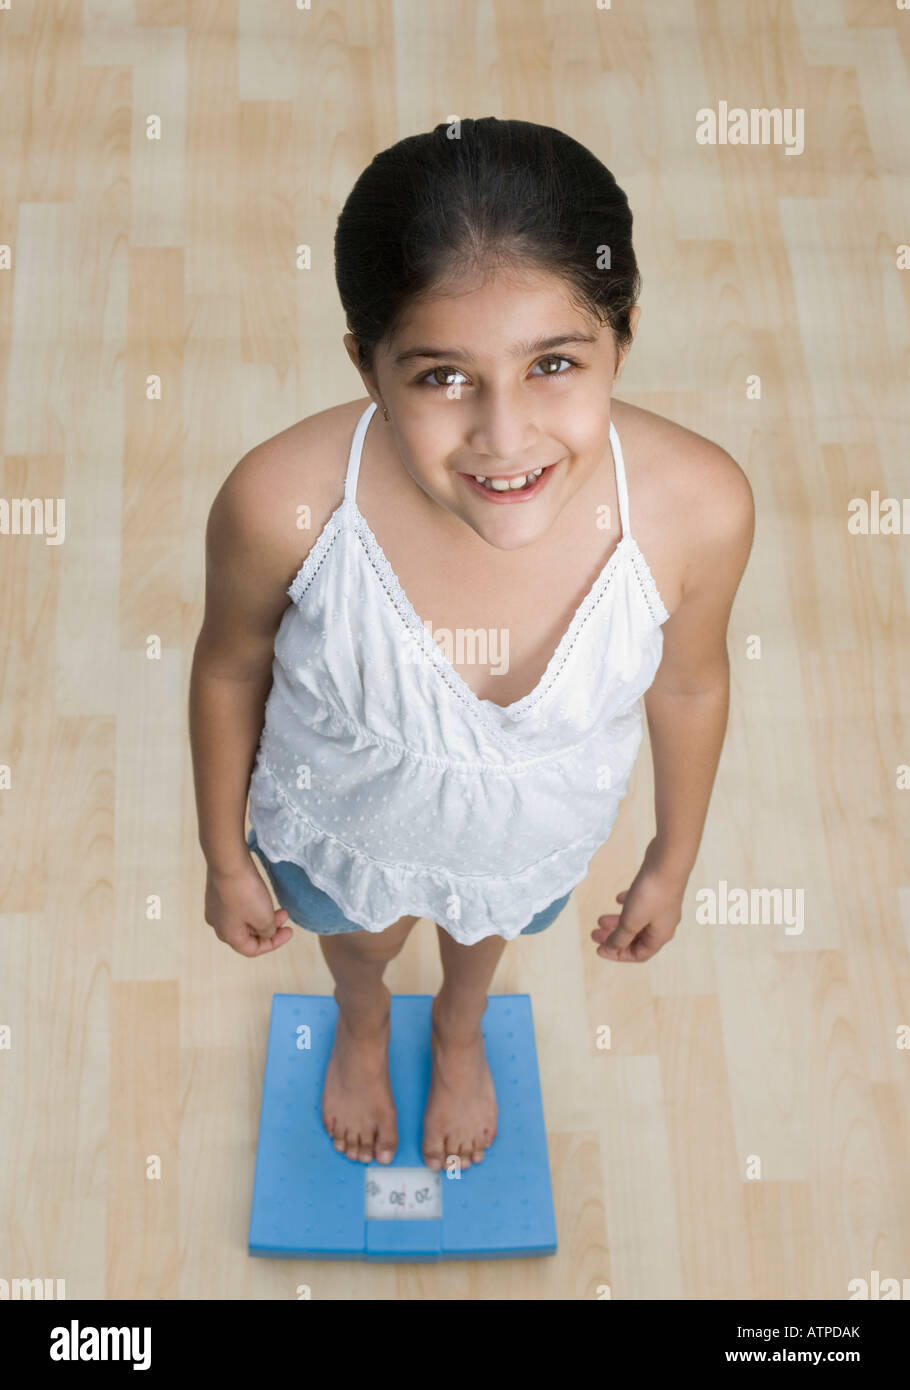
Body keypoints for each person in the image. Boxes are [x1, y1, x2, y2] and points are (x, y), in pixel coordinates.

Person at [189, 117, 754, 1177]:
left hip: (522, 836)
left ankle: (459, 1027)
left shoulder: (698, 508)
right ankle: (361, 1020)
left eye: (554, 363)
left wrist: (670, 861)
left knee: (480, 930)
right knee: (359, 942)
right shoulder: (282, 501)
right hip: (340, 824)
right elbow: (228, 668)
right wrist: (225, 857)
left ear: (623, 336)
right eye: (442, 376)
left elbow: (689, 685)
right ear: (367, 367)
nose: (504, 437)